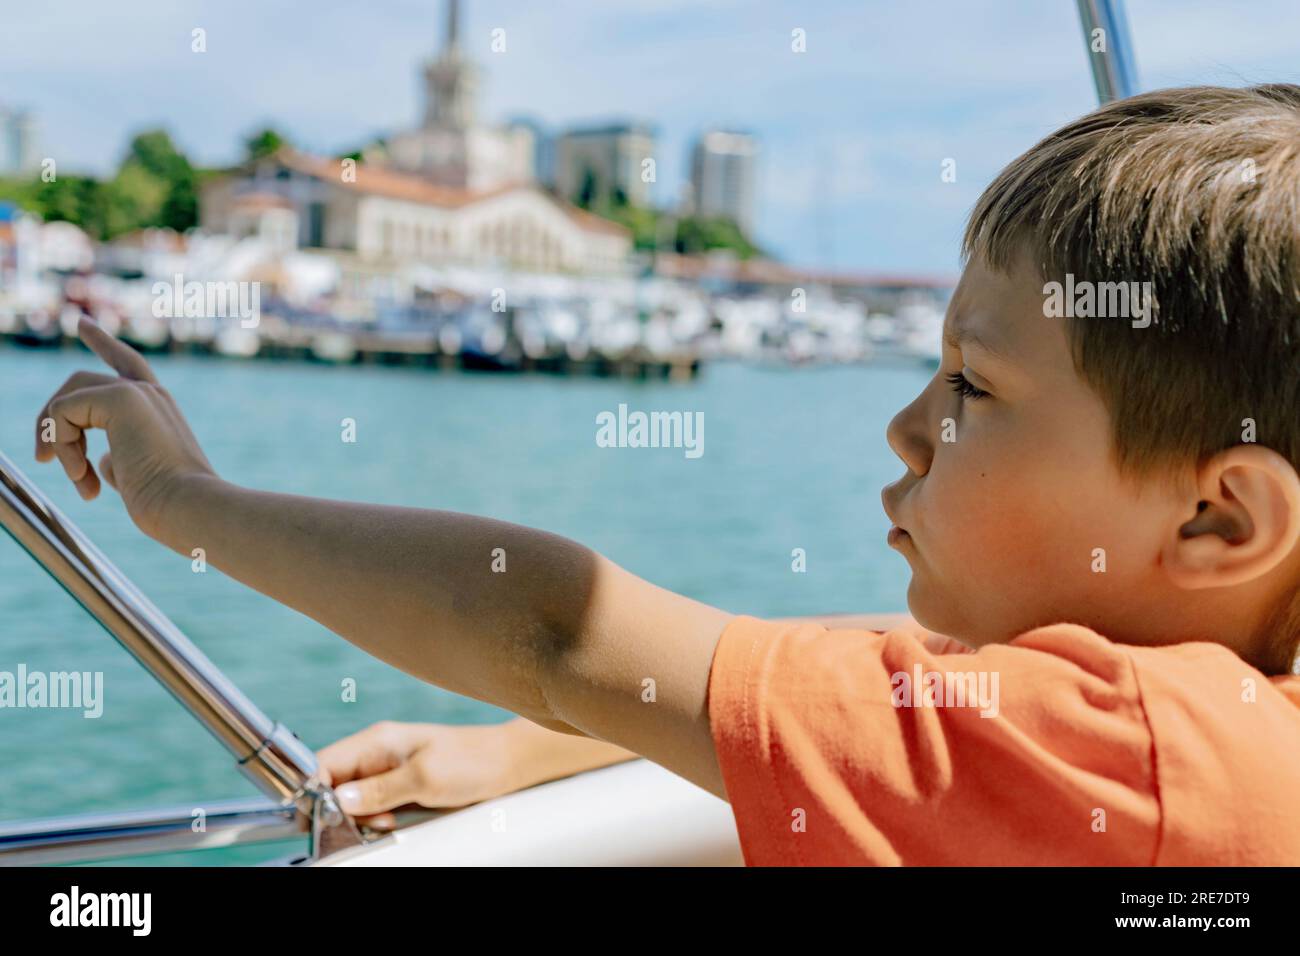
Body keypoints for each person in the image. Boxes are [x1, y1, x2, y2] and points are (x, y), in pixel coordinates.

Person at [34, 84, 1300, 864]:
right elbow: (850, 667)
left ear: (1216, 515)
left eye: (970, 386)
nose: (904, 428)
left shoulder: (1130, 760)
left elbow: (548, 624)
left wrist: (185, 500)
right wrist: (527, 756)